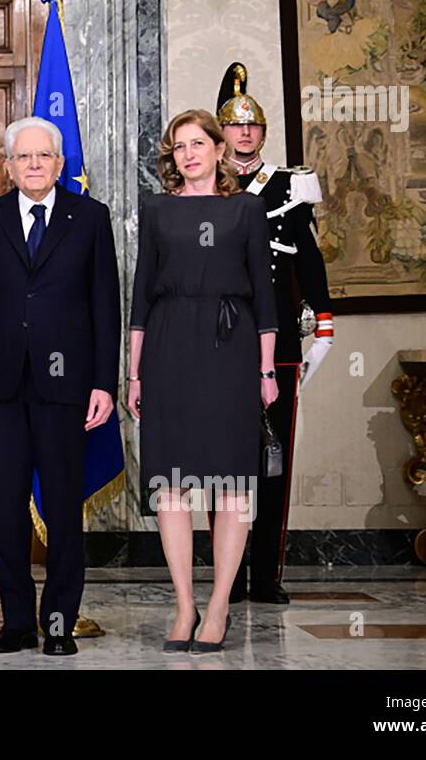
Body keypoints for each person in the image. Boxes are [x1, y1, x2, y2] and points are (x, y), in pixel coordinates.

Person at [0, 116, 120, 657]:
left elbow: (105, 306)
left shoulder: (90, 218)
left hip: (67, 388)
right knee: (6, 510)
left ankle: (59, 622)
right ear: (7, 167)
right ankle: (17, 622)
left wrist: (104, 382)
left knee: (64, 508)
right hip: (0, 387)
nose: (34, 164)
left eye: (43, 156)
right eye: (23, 157)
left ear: (60, 163)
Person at [126, 108, 278, 654]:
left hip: (231, 349)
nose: (188, 154)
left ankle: (218, 608)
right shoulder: (157, 209)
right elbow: (142, 294)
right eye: (179, 146)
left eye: (197, 143)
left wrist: (266, 369)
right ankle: (185, 605)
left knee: (231, 484)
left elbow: (265, 296)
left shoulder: (247, 209)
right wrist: (134, 372)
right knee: (172, 483)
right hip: (169, 347)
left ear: (218, 149)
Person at [214, 63, 335, 603]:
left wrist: (324, 325)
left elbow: (308, 259)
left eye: (252, 126)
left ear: (263, 133)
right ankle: (228, 575)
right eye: (235, 125)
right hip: (221, 339)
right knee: (223, 461)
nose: (244, 133)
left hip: (279, 338)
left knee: (274, 458)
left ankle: (266, 575)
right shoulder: (208, 183)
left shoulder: (290, 184)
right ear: (222, 132)